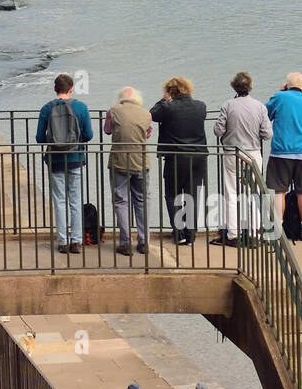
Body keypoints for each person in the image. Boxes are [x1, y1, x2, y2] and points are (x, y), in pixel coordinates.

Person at [36, 73, 94, 254]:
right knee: (75, 200)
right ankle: (76, 241)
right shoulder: (81, 107)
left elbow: (39, 138)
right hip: (75, 159)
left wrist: (55, 140)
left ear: (55, 89)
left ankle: (62, 240)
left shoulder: (47, 109)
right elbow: (89, 135)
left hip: (55, 161)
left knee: (59, 201)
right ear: (71, 89)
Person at [212, 72, 272, 246]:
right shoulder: (260, 107)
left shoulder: (228, 105)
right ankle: (255, 234)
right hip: (253, 153)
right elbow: (267, 134)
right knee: (255, 194)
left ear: (234, 87)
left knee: (231, 192)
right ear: (250, 86)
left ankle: (233, 234)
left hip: (232, 153)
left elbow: (218, 130)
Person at [150, 77, 208, 245]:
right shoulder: (201, 106)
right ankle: (191, 234)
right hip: (198, 157)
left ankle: (179, 232)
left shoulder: (168, 108)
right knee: (192, 196)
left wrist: (164, 99)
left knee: (171, 195)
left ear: (170, 91)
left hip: (175, 157)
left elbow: (152, 114)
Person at [265, 73, 302, 241]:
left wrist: (281, 92)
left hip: (281, 151)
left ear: (286, 85)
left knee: (280, 190)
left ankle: (278, 227)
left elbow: (266, 113)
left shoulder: (279, 97)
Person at [104, 87, 151, 256]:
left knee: (121, 201)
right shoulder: (146, 113)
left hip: (120, 161)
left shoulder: (113, 111)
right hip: (141, 161)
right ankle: (144, 241)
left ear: (121, 98)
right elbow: (148, 133)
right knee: (142, 201)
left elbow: (107, 130)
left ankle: (125, 242)